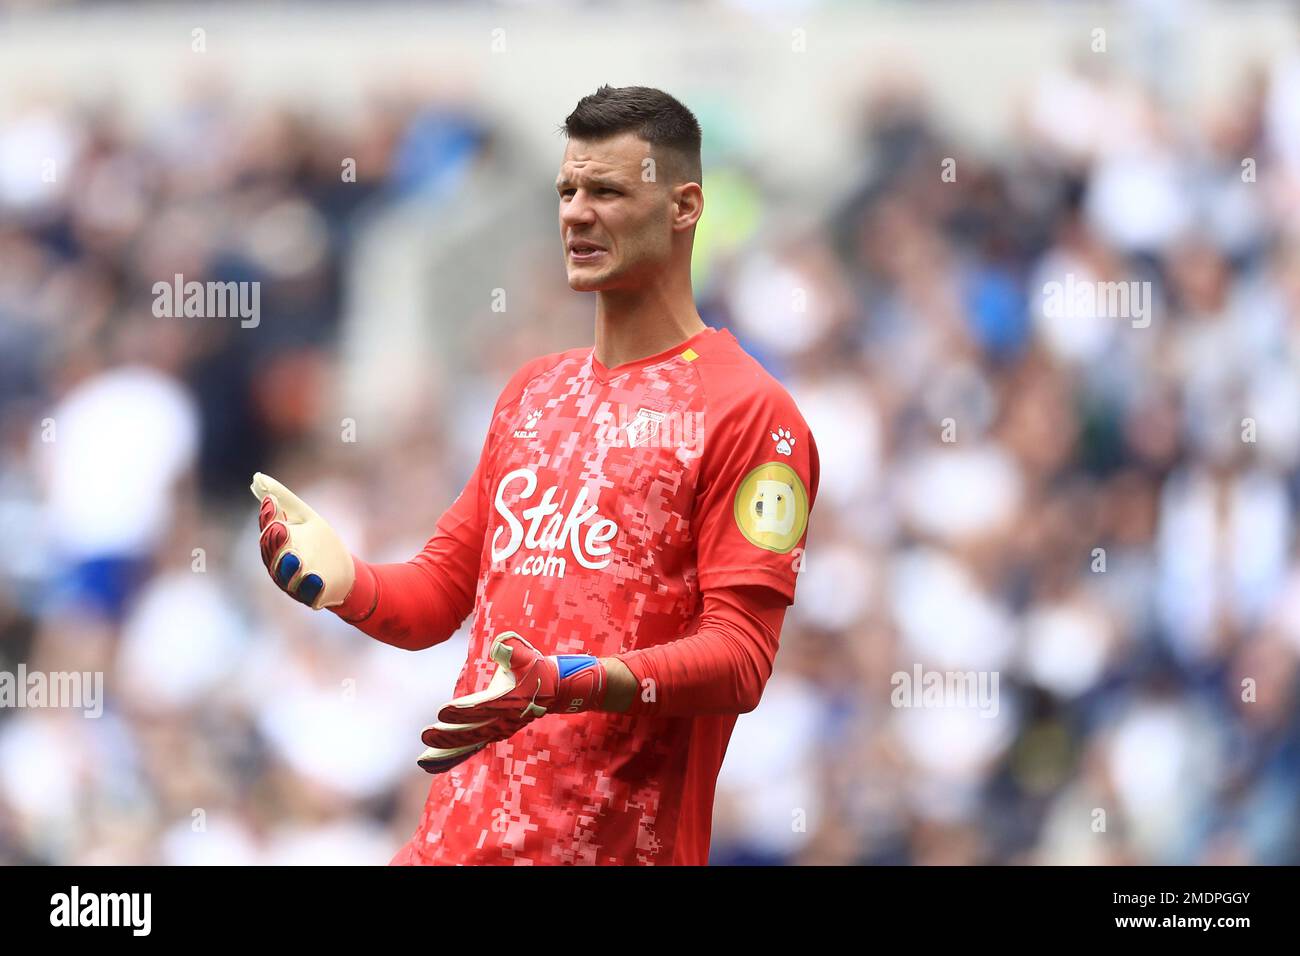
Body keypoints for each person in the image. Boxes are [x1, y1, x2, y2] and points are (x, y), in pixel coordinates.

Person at [252, 85, 819, 865]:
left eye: (608, 191)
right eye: (567, 190)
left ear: (684, 207)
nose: (577, 214)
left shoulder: (750, 411)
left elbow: (740, 659)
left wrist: (570, 681)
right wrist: (346, 581)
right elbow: (440, 596)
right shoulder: (533, 391)